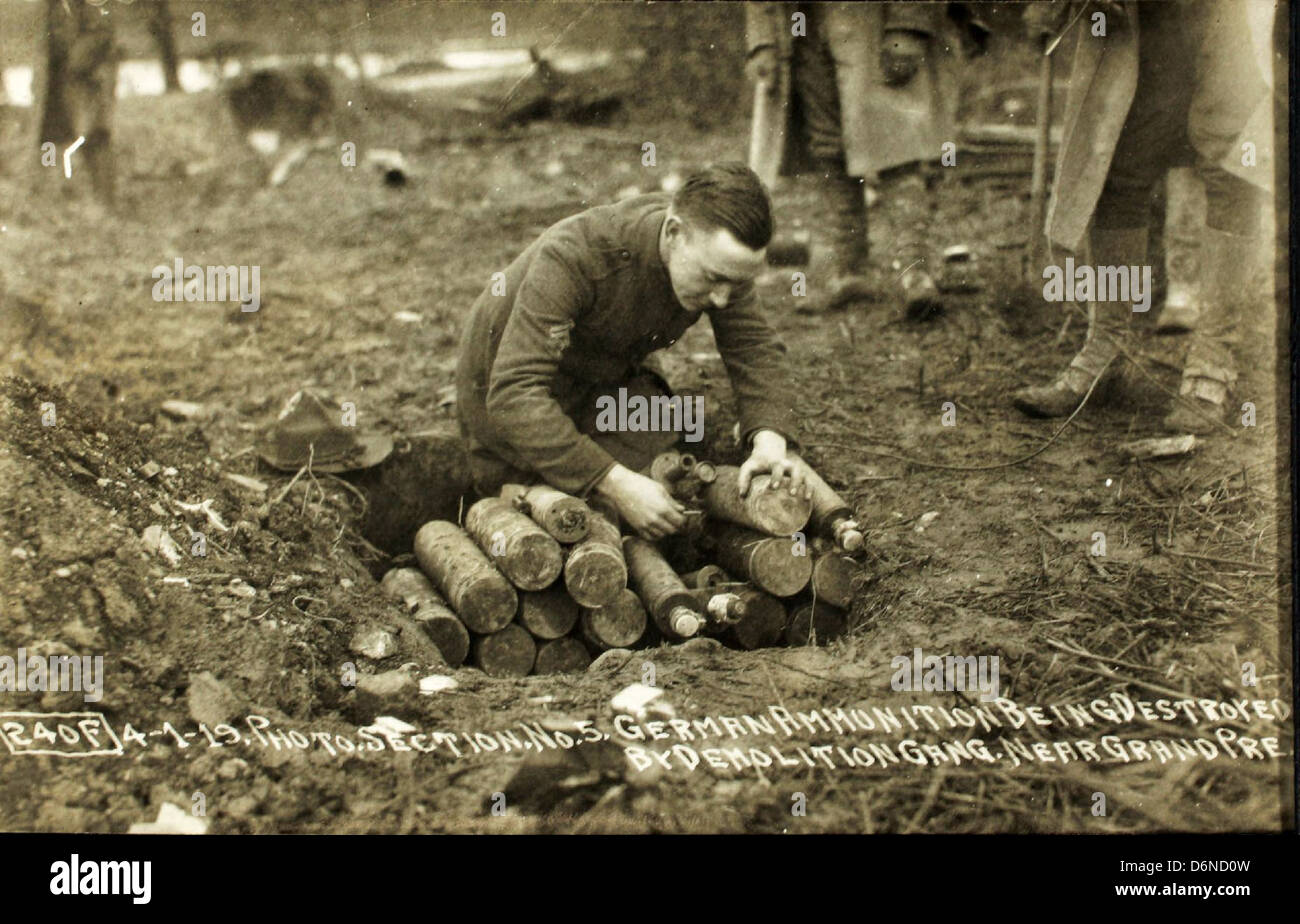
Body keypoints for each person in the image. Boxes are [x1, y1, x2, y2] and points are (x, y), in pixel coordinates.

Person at [455, 163, 813, 540]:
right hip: (507, 404)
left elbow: (753, 345)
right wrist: (614, 481)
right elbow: (514, 395)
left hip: (602, 385)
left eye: (736, 283)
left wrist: (771, 440)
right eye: (713, 279)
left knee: (671, 484)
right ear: (674, 233)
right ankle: (518, 485)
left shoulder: (717, 255)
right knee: (580, 526)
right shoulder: (576, 256)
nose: (723, 299)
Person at [1012, 0, 1270, 433]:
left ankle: (1212, 363)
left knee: (1231, 164)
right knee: (1116, 165)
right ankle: (1106, 351)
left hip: (1233, 18)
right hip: (1146, 17)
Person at [744, 2, 981, 317]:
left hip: (872, 24)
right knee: (828, 150)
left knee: (897, 149)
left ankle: (915, 272)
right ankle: (849, 272)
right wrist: (763, 40)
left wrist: (907, 27)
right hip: (801, 26)